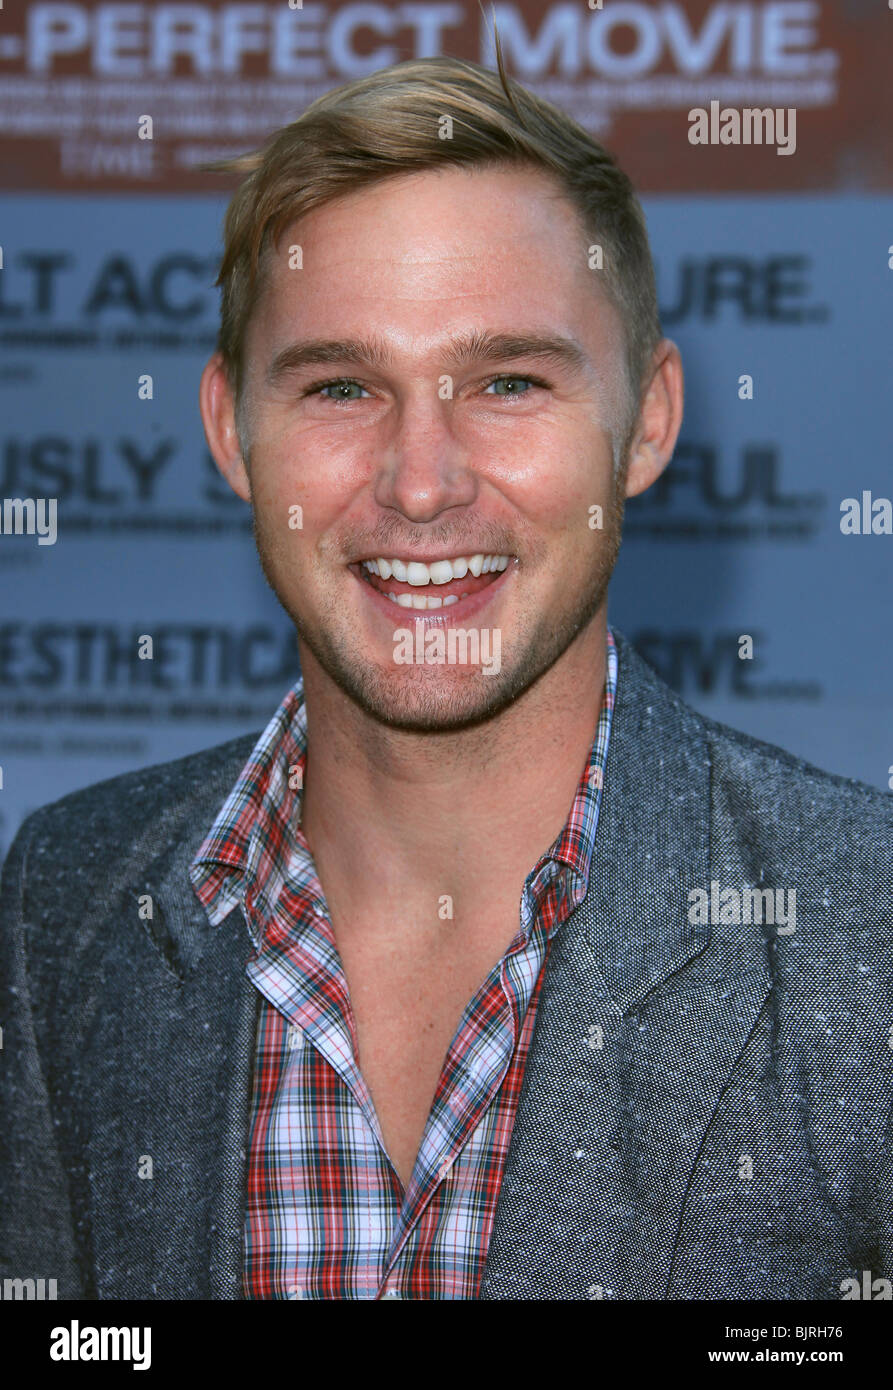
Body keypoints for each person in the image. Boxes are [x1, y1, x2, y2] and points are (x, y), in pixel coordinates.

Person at [2, 53, 891, 1303]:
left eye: (508, 382)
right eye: (341, 386)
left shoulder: (865, 927)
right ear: (229, 431)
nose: (420, 483)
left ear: (645, 420)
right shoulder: (64, 905)